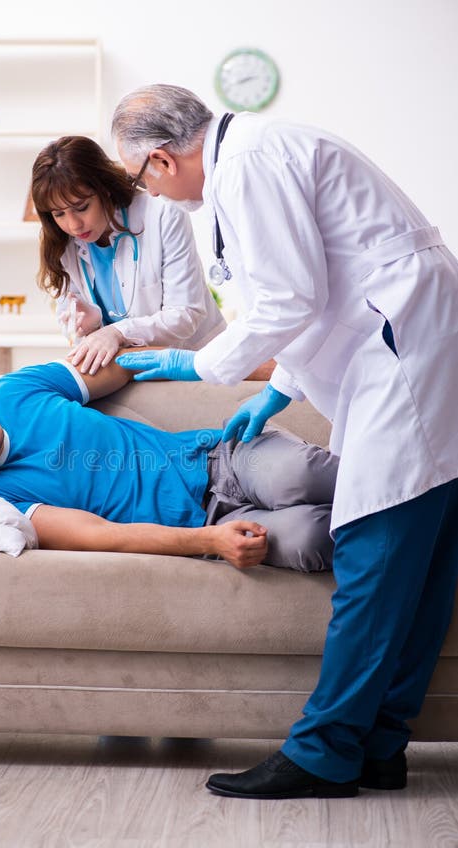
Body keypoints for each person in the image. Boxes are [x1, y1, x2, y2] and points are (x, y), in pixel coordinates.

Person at [111, 84, 458, 799]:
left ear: (160, 159)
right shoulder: (261, 149)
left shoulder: (246, 166)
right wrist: (279, 390)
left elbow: (288, 299)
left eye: (139, 175)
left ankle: (325, 752)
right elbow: (322, 292)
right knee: (425, 560)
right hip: (408, 345)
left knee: (373, 547)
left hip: (405, 356)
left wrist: (199, 365)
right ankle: (377, 745)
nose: (151, 190)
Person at [0, 357, 338, 574]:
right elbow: (101, 535)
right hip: (215, 524)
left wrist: (273, 369)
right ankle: (412, 542)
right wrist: (209, 541)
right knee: (310, 538)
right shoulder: (3, 502)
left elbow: (132, 364)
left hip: (222, 458)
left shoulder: (18, 391)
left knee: (300, 475)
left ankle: (409, 489)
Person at [30, 135, 226, 376]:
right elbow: (75, 325)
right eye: (58, 214)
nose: (73, 225)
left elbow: (186, 314)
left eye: (81, 208)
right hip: (125, 373)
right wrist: (92, 323)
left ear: (105, 189)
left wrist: (117, 332)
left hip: (193, 365)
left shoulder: (162, 213)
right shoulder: (62, 242)